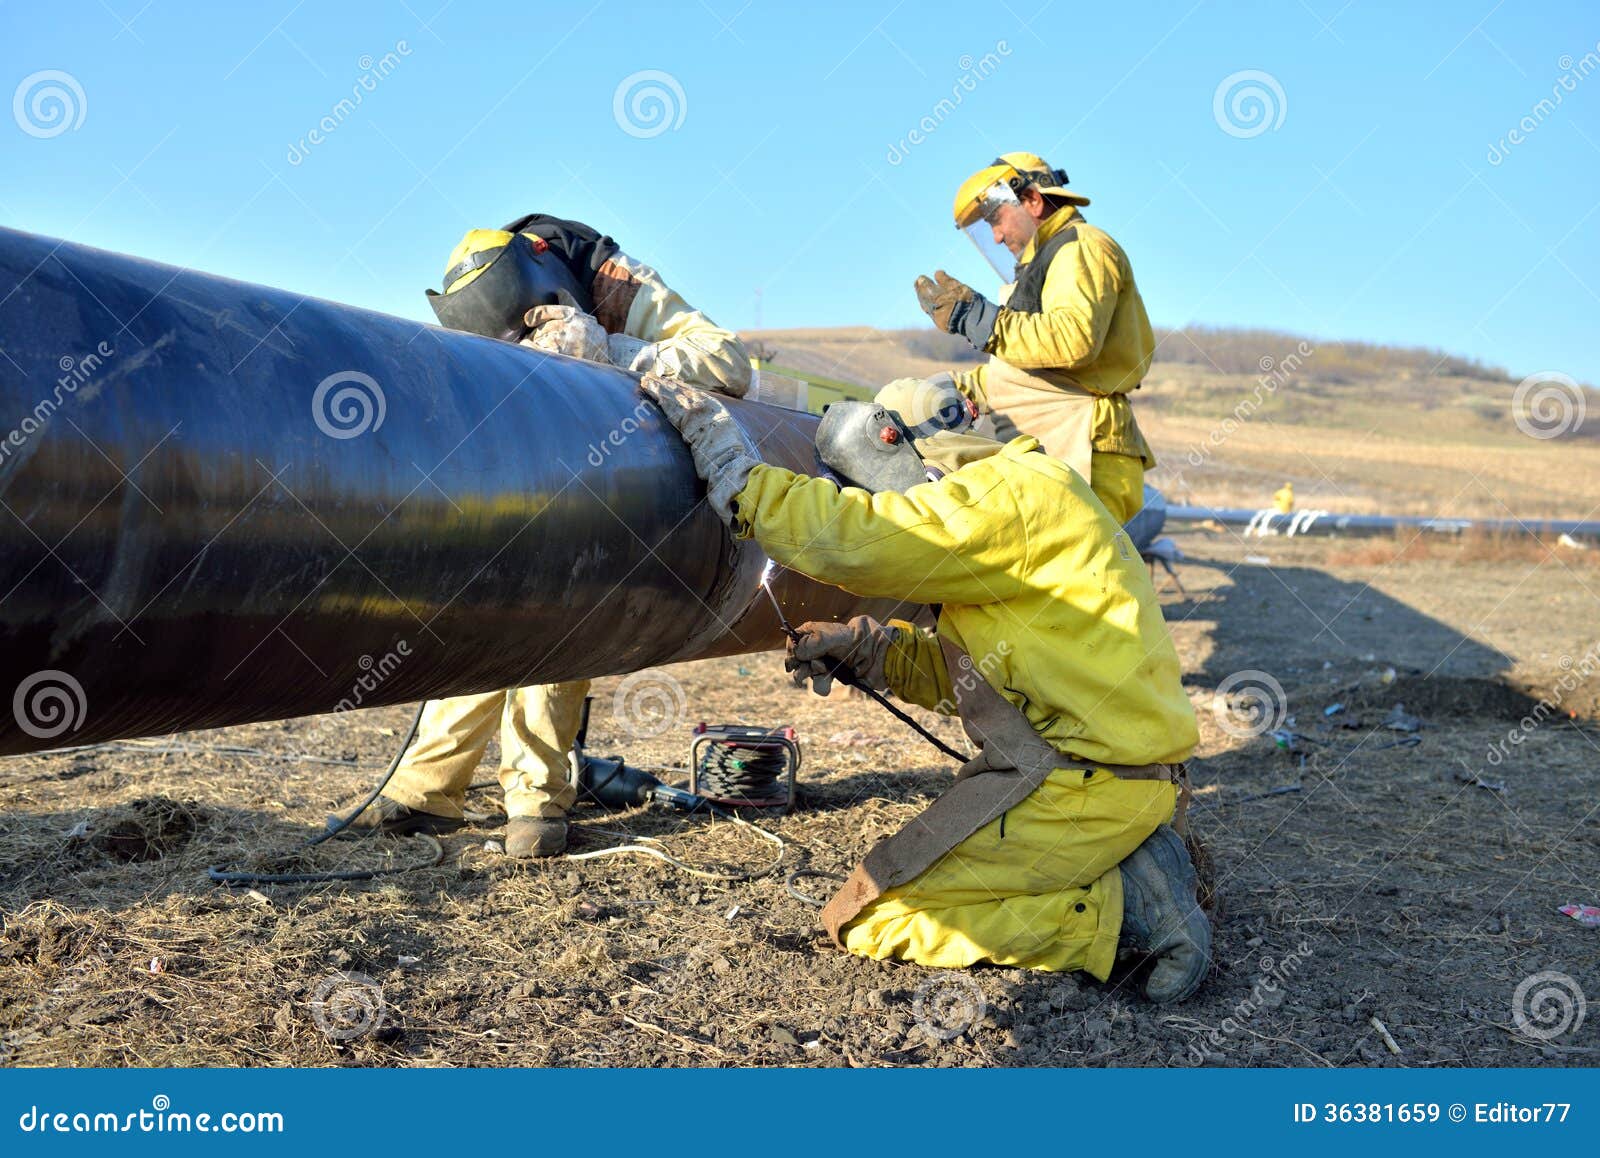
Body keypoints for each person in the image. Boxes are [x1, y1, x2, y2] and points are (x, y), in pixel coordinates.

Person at [638, 376, 1211, 1003]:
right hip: (1117, 781)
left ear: (900, 452)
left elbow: (857, 541)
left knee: (873, 917)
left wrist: (740, 477)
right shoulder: (1031, 496)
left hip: (1077, 788)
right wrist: (867, 650)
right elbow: (992, 680)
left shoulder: (1005, 498)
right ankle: (1126, 859)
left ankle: (1123, 912)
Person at [333, 214, 750, 858]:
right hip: (529, 455)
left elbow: (730, 362)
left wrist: (608, 351)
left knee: (559, 606)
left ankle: (535, 803)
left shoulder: (615, 283)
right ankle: (426, 791)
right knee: (483, 604)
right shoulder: (480, 304)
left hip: (620, 468)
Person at [913, 152, 1156, 525]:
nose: (994, 235)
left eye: (994, 219)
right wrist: (950, 391)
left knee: (1081, 581)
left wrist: (978, 319)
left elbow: (1073, 340)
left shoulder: (1080, 247)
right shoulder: (1044, 262)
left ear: (1032, 200)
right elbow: (1027, 370)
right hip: (1056, 443)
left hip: (1087, 447)